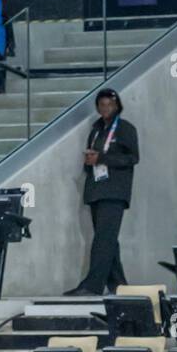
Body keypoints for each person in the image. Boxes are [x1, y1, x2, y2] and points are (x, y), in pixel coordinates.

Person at [66, 88, 139, 296]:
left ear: (117, 106)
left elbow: (132, 158)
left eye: (109, 105)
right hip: (97, 189)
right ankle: (119, 285)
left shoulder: (125, 129)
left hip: (114, 191)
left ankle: (92, 285)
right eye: (102, 105)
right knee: (107, 239)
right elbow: (96, 158)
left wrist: (102, 159)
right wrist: (90, 161)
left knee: (103, 240)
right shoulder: (96, 129)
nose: (105, 108)